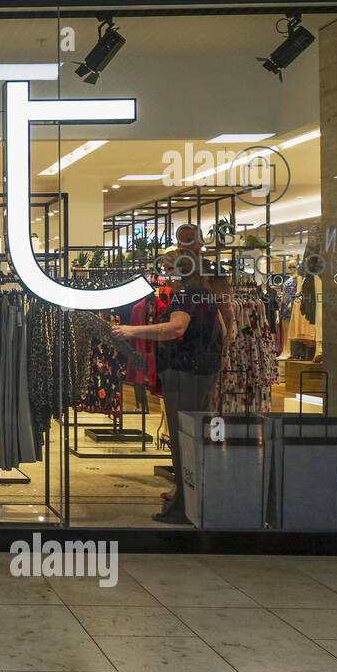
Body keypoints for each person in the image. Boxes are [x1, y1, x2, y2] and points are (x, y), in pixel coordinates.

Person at [112, 224, 227, 524]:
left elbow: (176, 327)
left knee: (183, 436)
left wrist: (132, 330)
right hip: (200, 370)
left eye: (168, 270)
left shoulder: (186, 296)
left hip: (186, 370)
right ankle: (187, 492)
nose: (165, 276)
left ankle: (184, 503)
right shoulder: (203, 294)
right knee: (192, 433)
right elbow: (224, 330)